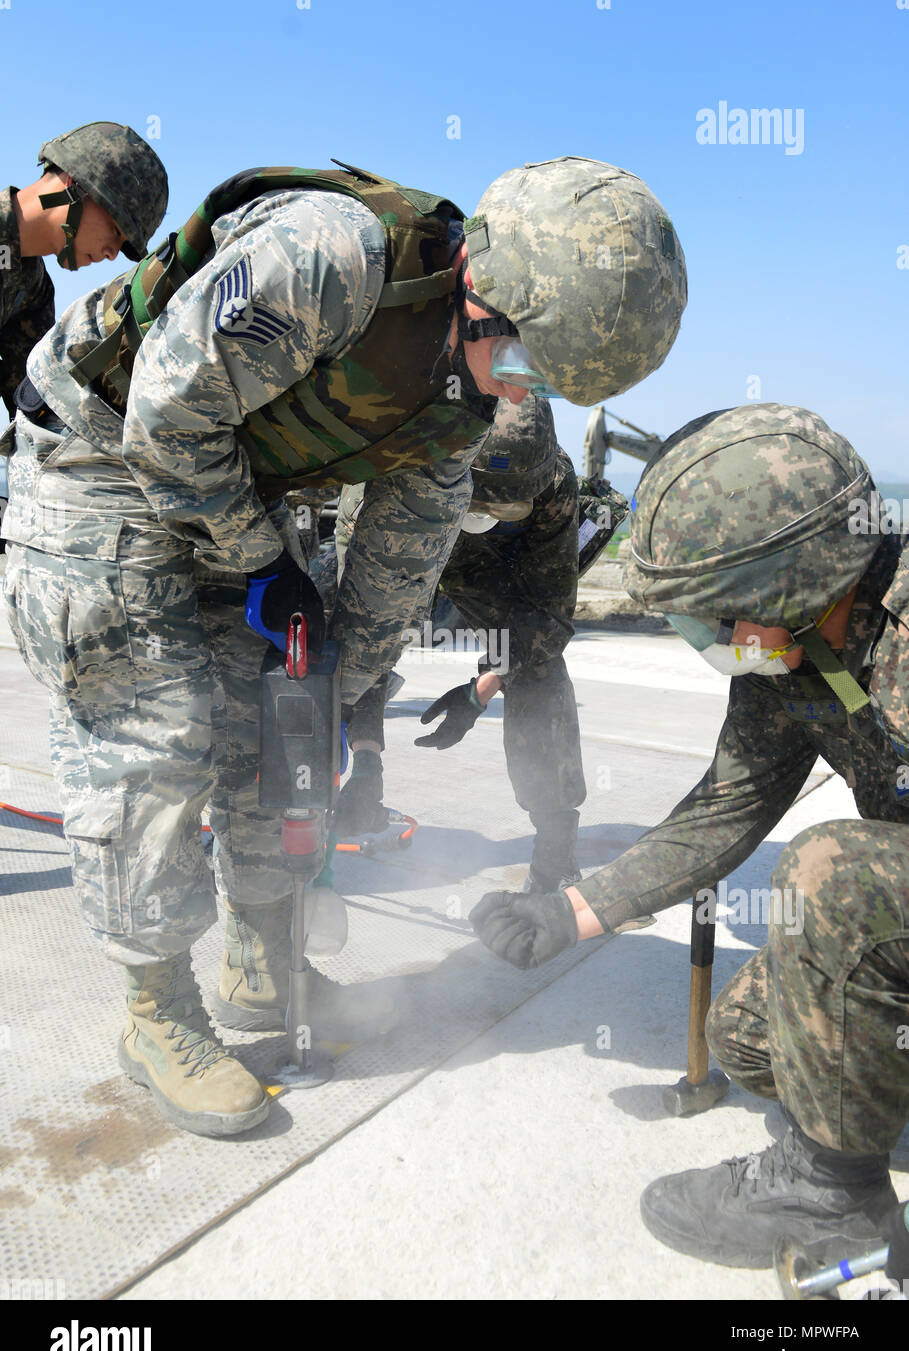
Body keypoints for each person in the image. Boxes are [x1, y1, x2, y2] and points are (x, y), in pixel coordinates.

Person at [3, 156, 687, 1137]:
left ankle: (262, 964)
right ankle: (159, 1013)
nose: (517, 385)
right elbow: (165, 417)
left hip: (224, 483)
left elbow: (392, 576)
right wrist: (259, 561)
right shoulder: (331, 258)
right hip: (97, 458)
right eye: (520, 350)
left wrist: (325, 697)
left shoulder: (464, 402)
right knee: (152, 736)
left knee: (271, 724)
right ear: (488, 282)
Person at [471, 401, 908, 1266]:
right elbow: (729, 803)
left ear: (783, 583)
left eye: (711, 615)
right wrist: (574, 910)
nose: (706, 640)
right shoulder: (793, 657)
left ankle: (832, 1202)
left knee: (830, 875)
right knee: (755, 1034)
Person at [335, 395, 592, 893]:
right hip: (411, 536)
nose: (488, 513)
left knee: (540, 668)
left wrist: (481, 689)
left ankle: (556, 851)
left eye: (505, 505)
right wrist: (366, 756)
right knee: (334, 643)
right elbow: (364, 628)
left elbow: (547, 616)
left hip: (492, 572)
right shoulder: (385, 471)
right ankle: (321, 789)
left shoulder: (554, 482)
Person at [0, 122, 168, 416]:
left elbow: (31, 404)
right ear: (72, 185)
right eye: (115, 230)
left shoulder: (34, 289)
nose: (112, 253)